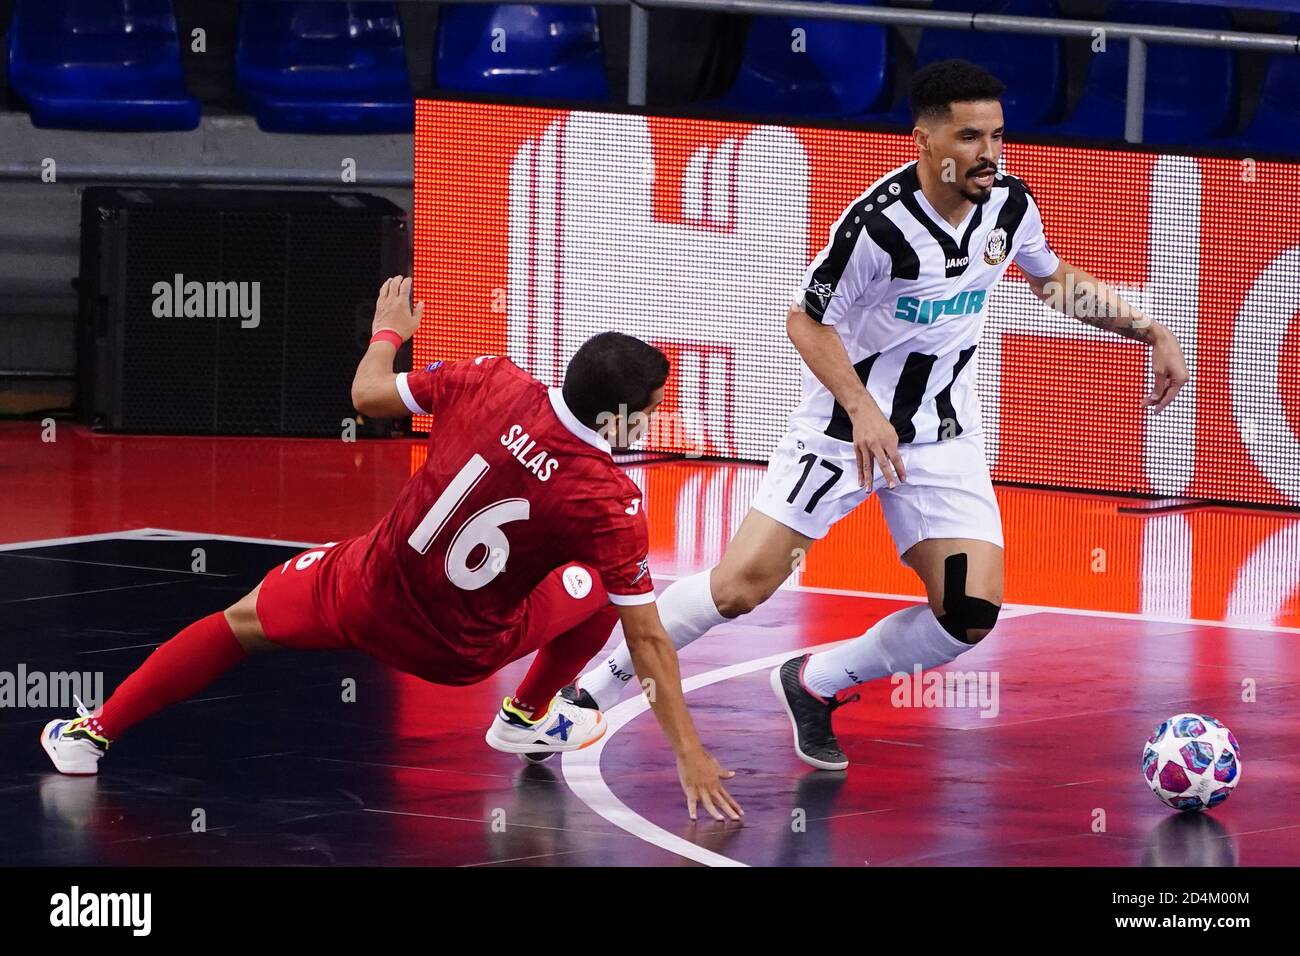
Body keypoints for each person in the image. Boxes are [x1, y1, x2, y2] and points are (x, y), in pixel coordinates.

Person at [570, 59, 1191, 771]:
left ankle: (816, 682)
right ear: (924, 142)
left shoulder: (1009, 206)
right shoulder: (877, 226)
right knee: (741, 587)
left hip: (944, 436)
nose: (989, 152)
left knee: (967, 615)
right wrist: (863, 411)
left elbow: (1051, 282)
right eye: (969, 136)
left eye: (996, 134)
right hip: (844, 435)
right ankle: (590, 690)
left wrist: (1148, 330)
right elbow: (805, 321)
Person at [41, 276, 742, 821]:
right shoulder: (609, 502)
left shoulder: (491, 381)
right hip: (459, 652)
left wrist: (389, 332)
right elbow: (646, 638)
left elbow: (367, 395)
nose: (656, 415)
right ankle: (525, 717)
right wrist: (689, 753)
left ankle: (90, 735)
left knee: (238, 623)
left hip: (363, 590)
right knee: (612, 586)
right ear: (621, 416)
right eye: (653, 404)